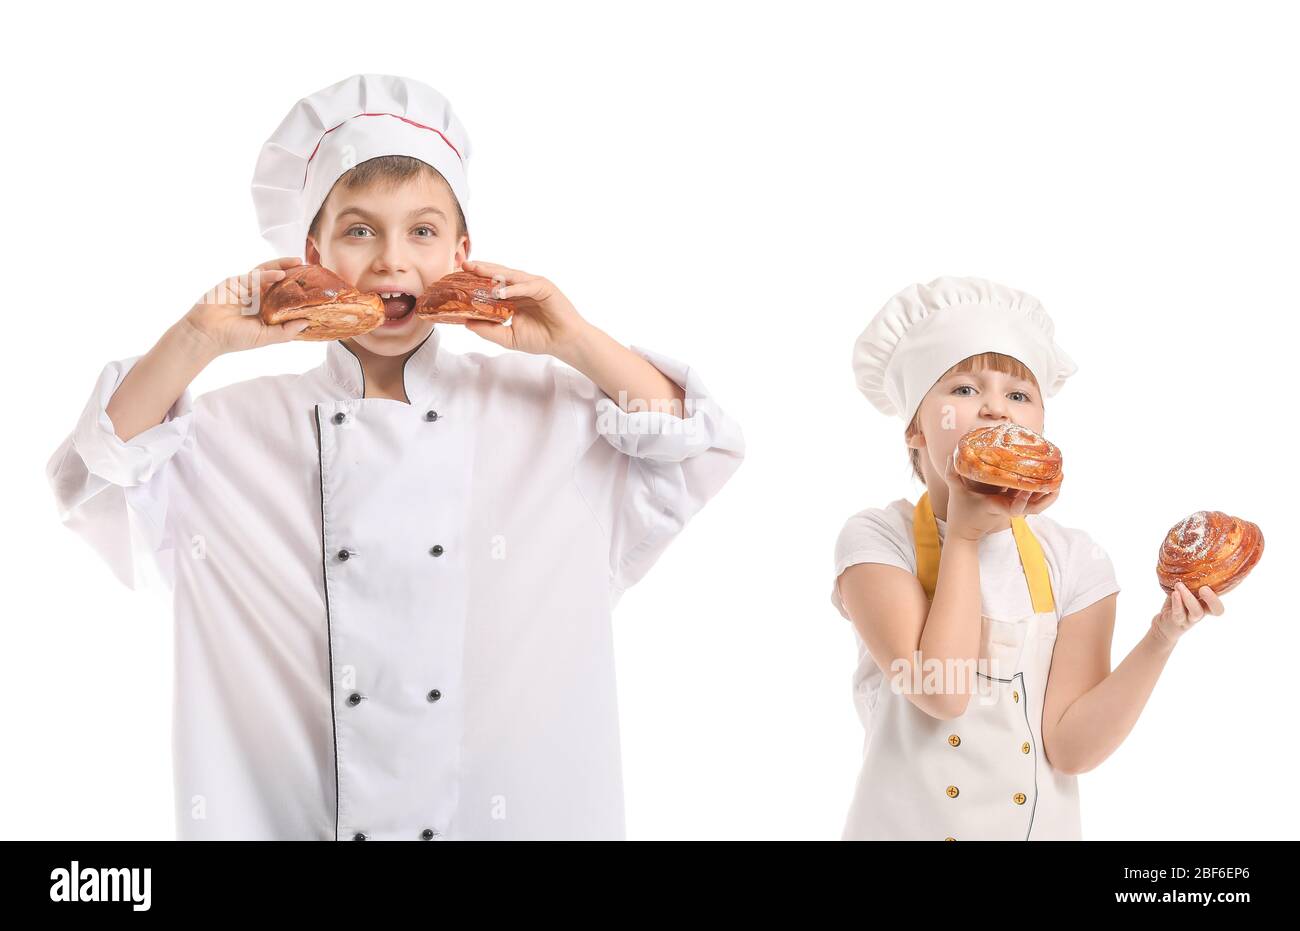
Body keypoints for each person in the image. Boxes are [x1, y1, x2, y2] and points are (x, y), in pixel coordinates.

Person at [46, 73, 745, 841]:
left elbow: (694, 441)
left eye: (421, 231)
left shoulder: (546, 415)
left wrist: (575, 338)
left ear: (462, 251)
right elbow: (96, 473)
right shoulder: (231, 431)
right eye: (358, 231)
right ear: (311, 252)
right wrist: (199, 336)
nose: (390, 261)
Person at [830, 276, 1223, 840]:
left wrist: (1161, 638)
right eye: (963, 390)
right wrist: (963, 539)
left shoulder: (1075, 560)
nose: (995, 409)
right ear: (916, 428)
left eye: (1018, 395)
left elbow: (1070, 748)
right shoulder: (876, 541)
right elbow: (941, 692)